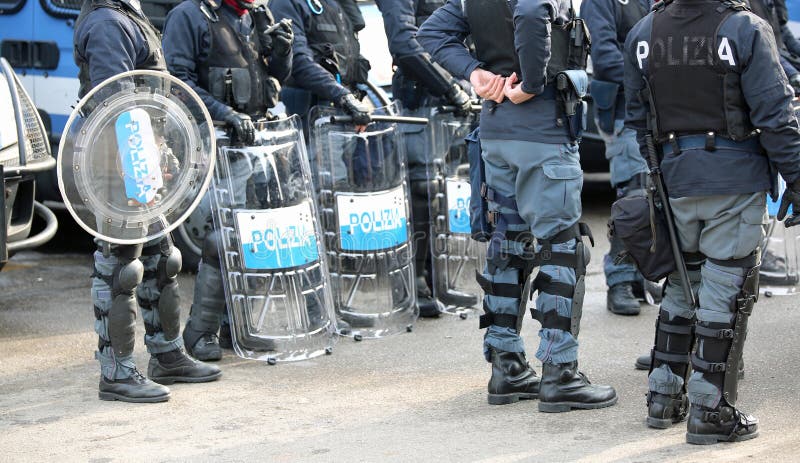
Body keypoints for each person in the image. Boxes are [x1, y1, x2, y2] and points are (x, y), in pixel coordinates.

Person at [419, 0, 618, 411]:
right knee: (562, 247)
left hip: (497, 135)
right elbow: (530, 11)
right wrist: (529, 83)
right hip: (541, 135)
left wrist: (475, 72)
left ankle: (506, 366)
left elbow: (432, 32)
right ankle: (560, 372)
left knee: (508, 243)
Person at [624, 0, 800, 443]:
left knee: (683, 283)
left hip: (673, 179)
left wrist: (659, 177)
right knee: (726, 292)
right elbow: (775, 115)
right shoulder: (744, 28)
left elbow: (637, 117)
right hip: (734, 178)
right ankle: (711, 411)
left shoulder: (644, 32)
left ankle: (663, 397)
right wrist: (797, 176)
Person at [74, 0, 221, 403]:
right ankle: (117, 374)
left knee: (163, 259)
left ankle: (168, 354)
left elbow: (147, 93)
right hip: (119, 159)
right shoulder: (108, 20)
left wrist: (161, 152)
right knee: (121, 268)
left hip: (141, 152)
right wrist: (141, 163)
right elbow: (118, 103)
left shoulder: (124, 13)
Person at [162, 0, 294, 361]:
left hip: (252, 146)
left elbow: (274, 77)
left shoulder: (250, 16)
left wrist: (283, 51)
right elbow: (178, 84)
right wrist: (225, 113)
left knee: (246, 238)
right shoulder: (189, 16)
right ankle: (200, 332)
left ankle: (234, 326)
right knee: (220, 240)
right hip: (212, 145)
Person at [374, 0, 472, 317]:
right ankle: (412, 282)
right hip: (421, 97)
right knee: (421, 190)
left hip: (453, 100)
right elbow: (405, 43)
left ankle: (437, 279)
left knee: (442, 193)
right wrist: (449, 87)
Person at [581, 0, 659, 316]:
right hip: (625, 110)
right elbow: (606, 60)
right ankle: (620, 279)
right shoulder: (600, 2)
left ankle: (640, 274)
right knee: (634, 197)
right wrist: (658, 79)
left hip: (659, 110)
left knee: (655, 198)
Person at [269, 0, 372, 131]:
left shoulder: (335, 4)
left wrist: (351, 99)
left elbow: (349, 53)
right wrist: (343, 96)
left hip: (347, 111)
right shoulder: (286, 3)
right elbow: (298, 60)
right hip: (317, 115)